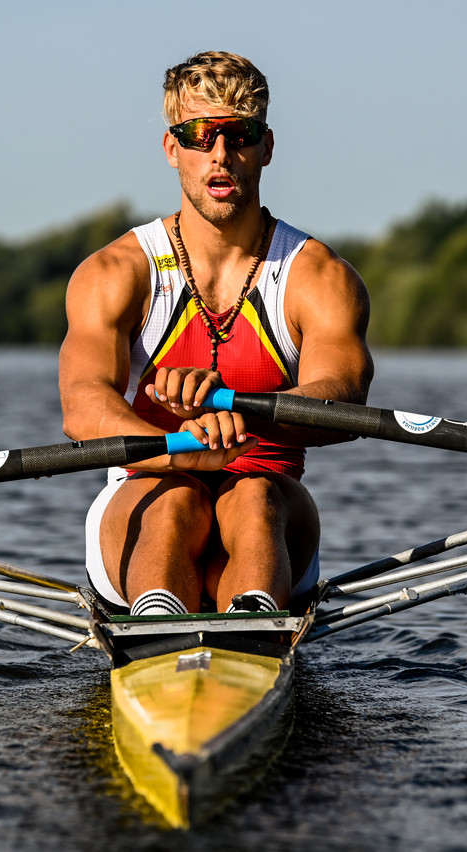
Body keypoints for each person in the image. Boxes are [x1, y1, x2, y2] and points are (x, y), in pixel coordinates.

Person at [59, 51, 373, 617]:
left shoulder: (319, 277)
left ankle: (248, 625)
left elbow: (344, 400)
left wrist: (236, 412)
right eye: (200, 136)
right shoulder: (117, 272)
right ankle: (167, 621)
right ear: (171, 147)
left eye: (240, 135)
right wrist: (180, 453)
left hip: (270, 506)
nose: (220, 155)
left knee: (252, 495)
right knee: (177, 500)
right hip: (149, 491)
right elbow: (83, 406)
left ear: (266, 147)